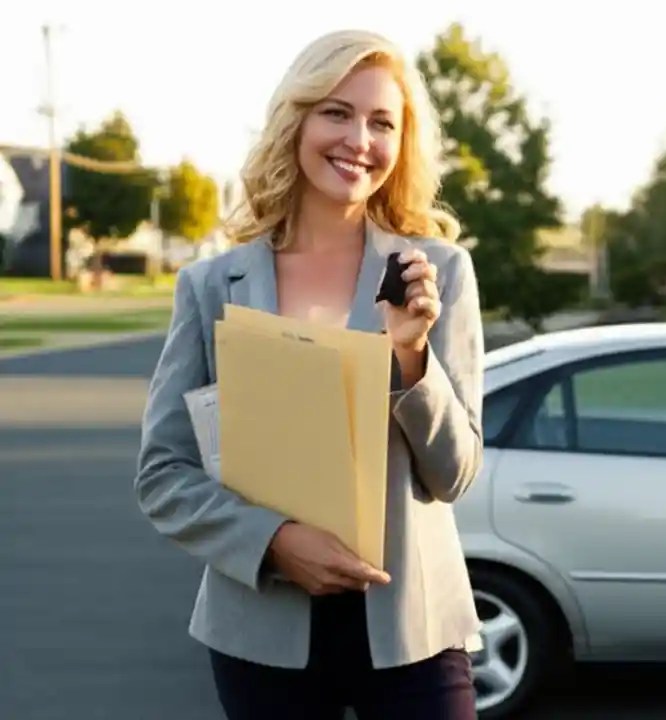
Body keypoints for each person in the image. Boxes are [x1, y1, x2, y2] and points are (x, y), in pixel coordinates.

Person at [133, 29, 484, 720]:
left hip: (412, 631)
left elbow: (455, 473)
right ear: (296, 121)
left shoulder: (436, 273)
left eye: (382, 122)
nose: (359, 138)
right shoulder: (212, 287)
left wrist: (411, 357)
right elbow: (162, 475)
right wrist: (275, 543)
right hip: (262, 634)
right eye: (336, 112)